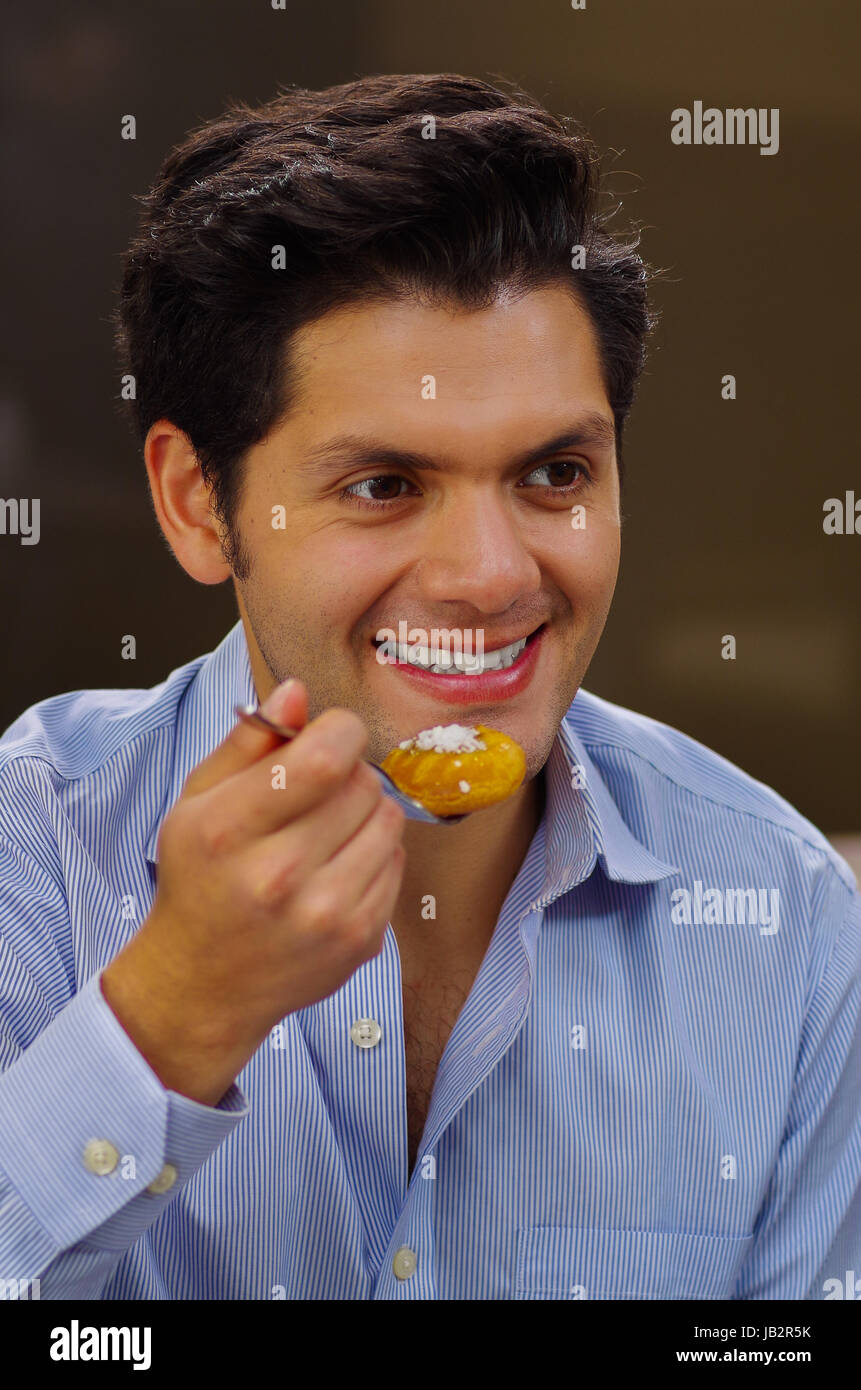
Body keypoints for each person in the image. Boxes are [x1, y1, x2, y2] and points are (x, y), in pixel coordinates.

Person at [0, 73, 858, 1301]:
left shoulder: (790, 921)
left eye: (554, 472)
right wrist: (170, 1017)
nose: (492, 576)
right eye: (384, 485)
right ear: (199, 503)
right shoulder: (26, 859)